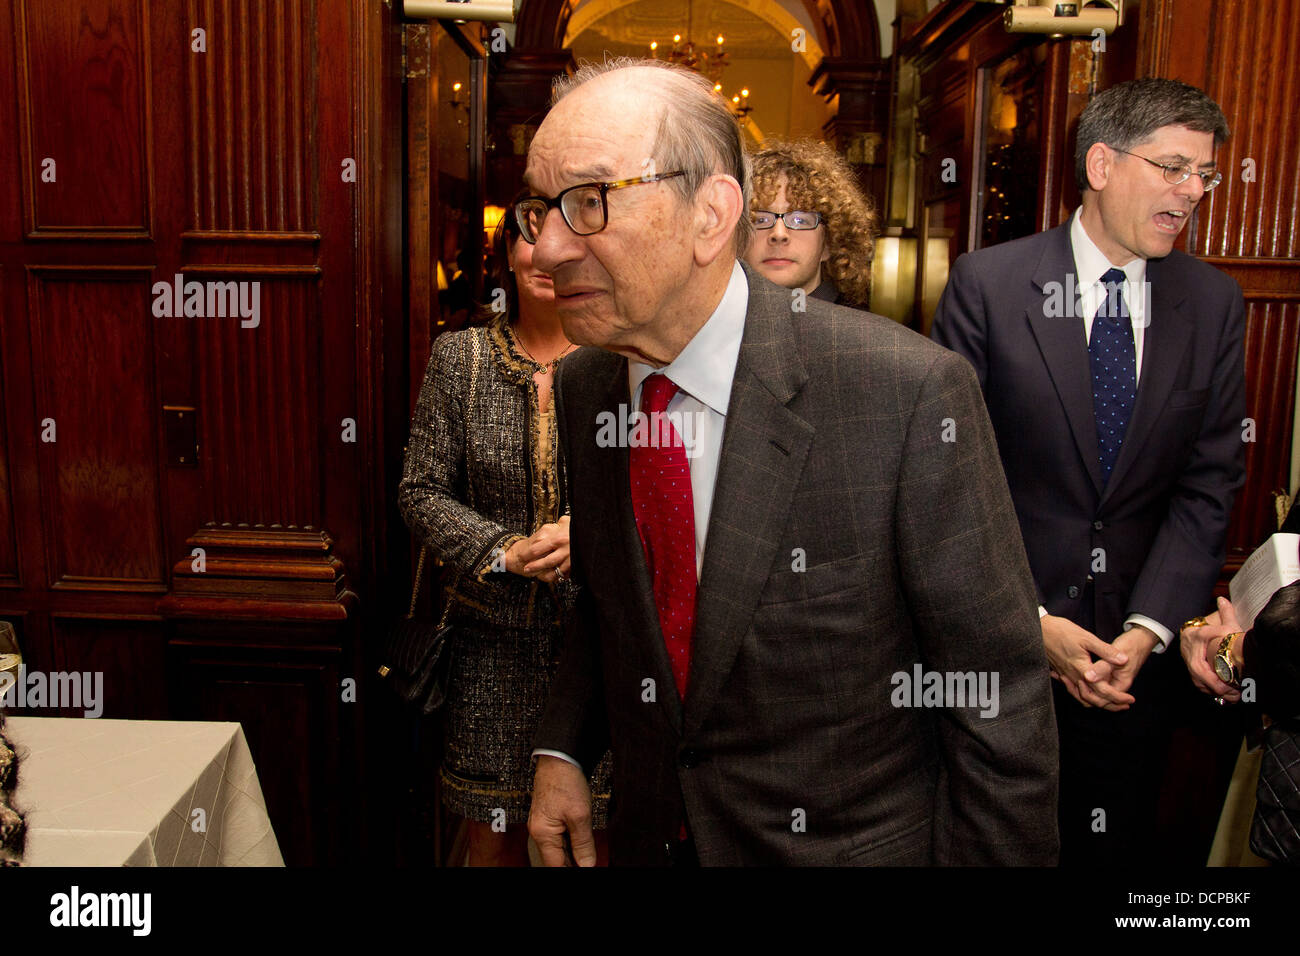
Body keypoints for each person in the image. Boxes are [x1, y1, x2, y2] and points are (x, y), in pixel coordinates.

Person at [518, 58, 1058, 867]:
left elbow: (998, 701)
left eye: (588, 203)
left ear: (711, 214)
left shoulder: (904, 393)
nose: (547, 247)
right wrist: (564, 750)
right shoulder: (592, 382)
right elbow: (614, 607)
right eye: (539, 208)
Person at [931, 77, 1247, 865]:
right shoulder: (989, 285)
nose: (1192, 192)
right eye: (1173, 167)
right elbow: (947, 482)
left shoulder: (1212, 303)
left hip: (1133, 671)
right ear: (1101, 165)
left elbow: (1209, 483)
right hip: (999, 655)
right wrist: (1033, 625)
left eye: (1203, 175)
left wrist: (1148, 629)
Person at [397, 207, 610, 866]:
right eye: (530, 236)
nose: (548, 254)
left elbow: (657, 498)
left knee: (587, 846)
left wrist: (590, 535)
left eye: (568, 239)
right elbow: (420, 492)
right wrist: (503, 550)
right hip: (486, 656)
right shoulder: (458, 360)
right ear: (508, 256)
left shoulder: (621, 365)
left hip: (598, 657)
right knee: (488, 847)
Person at [742, 139, 875, 307]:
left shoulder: (857, 331)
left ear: (829, 243)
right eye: (760, 219)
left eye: (800, 220)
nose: (779, 234)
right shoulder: (715, 326)